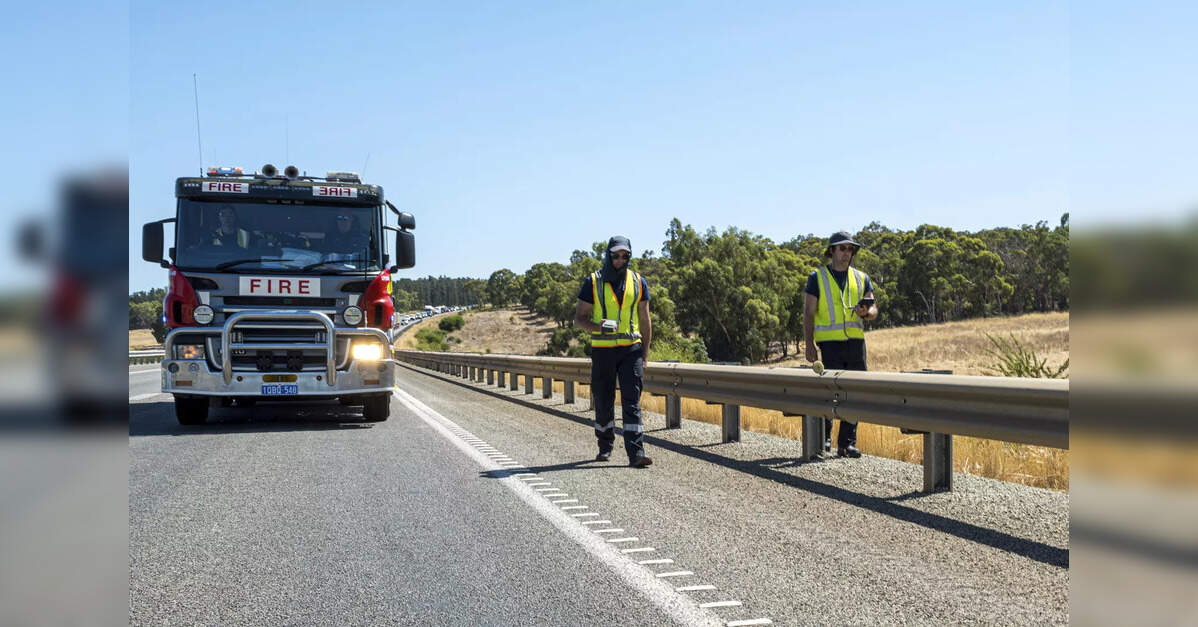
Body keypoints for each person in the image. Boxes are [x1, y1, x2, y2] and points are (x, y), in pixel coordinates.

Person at [575, 236, 654, 468]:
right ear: (608, 255)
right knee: (603, 400)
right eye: (616, 255)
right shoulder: (593, 282)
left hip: (631, 350)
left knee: (632, 402)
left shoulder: (639, 282)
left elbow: (645, 319)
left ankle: (636, 453)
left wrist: (645, 354)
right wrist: (597, 327)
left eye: (625, 255)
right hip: (602, 350)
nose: (621, 259)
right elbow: (579, 318)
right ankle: (605, 446)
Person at [804, 231, 878, 458]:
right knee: (830, 393)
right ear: (832, 251)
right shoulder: (818, 277)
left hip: (856, 343)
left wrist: (867, 313)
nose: (847, 253)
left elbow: (874, 309)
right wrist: (809, 345)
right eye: (842, 248)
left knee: (854, 393)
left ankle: (847, 443)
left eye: (850, 249)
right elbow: (808, 312)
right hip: (830, 344)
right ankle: (824, 439)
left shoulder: (861, 278)